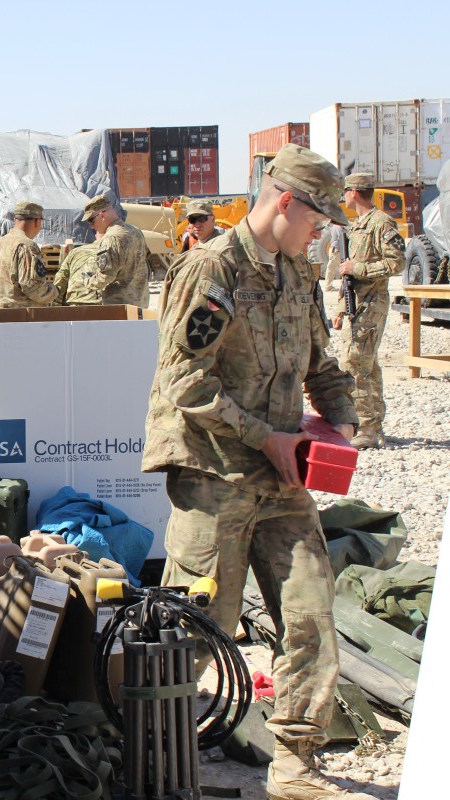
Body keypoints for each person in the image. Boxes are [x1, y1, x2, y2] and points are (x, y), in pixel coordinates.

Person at [142, 144, 372, 800]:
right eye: (316, 220)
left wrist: (342, 421)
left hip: (282, 475)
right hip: (213, 474)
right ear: (285, 203)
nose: (319, 233)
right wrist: (264, 437)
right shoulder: (212, 269)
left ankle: (295, 762)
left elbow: (321, 364)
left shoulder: (296, 273)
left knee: (310, 614)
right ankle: (156, 755)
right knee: (194, 627)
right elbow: (183, 380)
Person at [334, 172, 406, 450]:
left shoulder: (380, 223)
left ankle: (365, 427)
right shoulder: (357, 226)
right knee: (368, 364)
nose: (344, 196)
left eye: (346, 191)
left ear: (354, 192)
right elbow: (347, 275)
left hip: (372, 303)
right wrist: (340, 308)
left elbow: (396, 263)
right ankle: (374, 425)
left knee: (354, 363)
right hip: (356, 304)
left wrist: (359, 268)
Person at [70, 195, 150, 307]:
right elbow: (145, 260)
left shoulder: (110, 239)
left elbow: (106, 276)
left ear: (102, 215)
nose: (91, 226)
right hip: (141, 301)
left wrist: (88, 281)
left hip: (119, 305)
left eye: (91, 221)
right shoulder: (136, 231)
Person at [0, 200, 58, 308]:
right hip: (19, 314)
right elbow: (33, 288)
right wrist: (55, 291)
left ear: (15, 220)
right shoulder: (27, 246)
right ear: (36, 222)